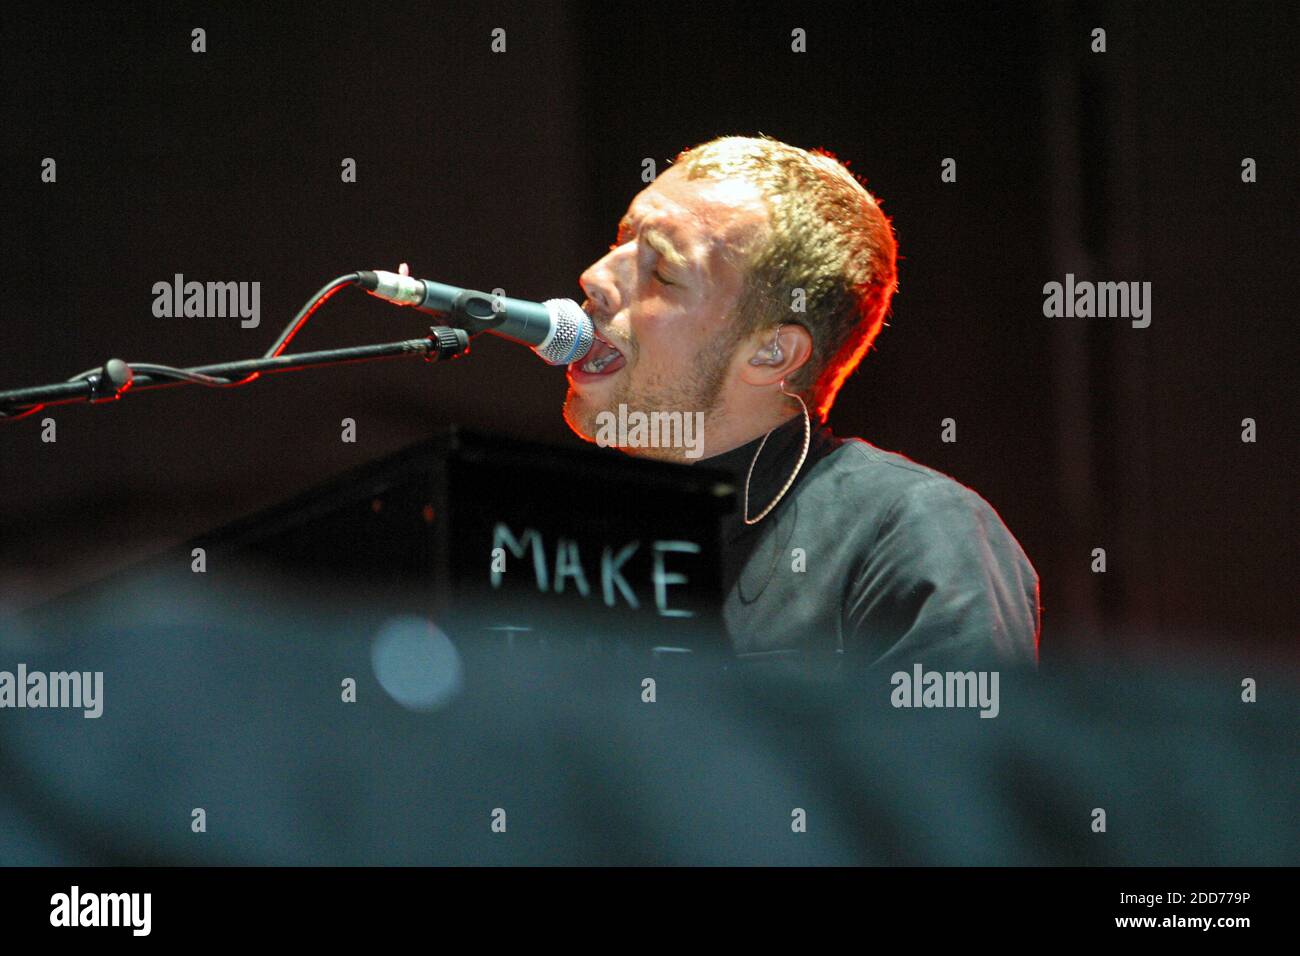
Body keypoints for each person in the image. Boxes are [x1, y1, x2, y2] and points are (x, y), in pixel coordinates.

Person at [564, 135, 1039, 671]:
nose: (596, 277)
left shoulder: (913, 528)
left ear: (771, 352)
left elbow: (955, 755)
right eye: (622, 239)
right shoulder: (566, 528)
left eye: (664, 272)